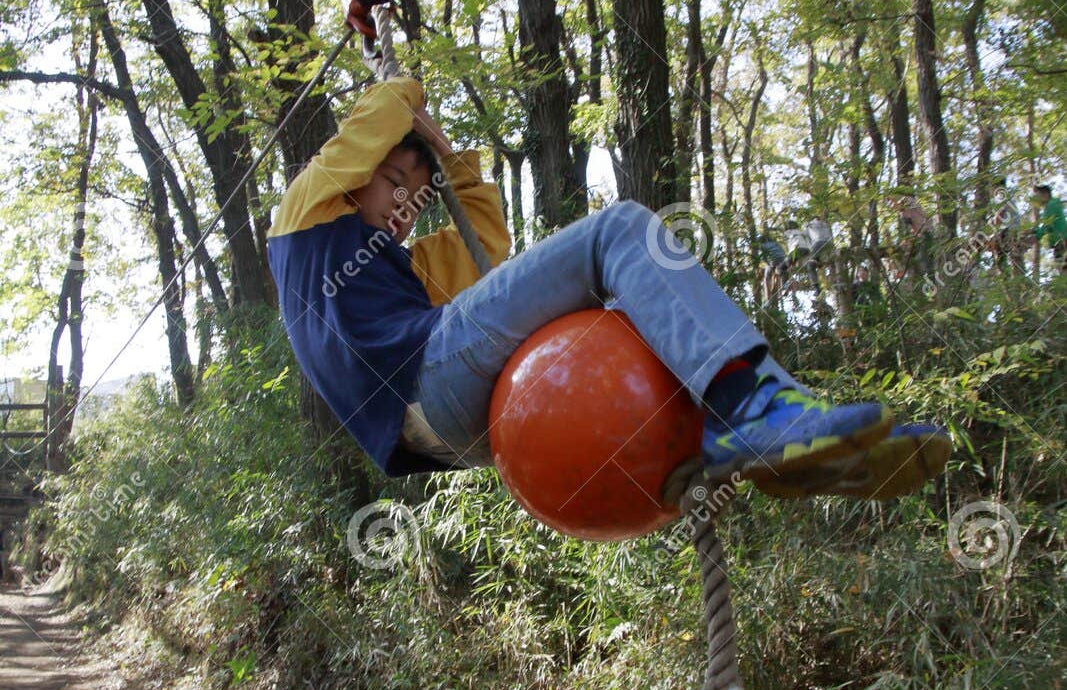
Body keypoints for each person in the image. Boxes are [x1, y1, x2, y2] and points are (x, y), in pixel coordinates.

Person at [267, 77, 950, 501]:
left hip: (449, 429)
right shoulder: (303, 218)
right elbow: (373, 121)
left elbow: (487, 245)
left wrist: (449, 164)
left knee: (620, 298)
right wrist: (403, 89)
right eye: (394, 185)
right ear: (353, 176)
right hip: (428, 378)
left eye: (417, 201)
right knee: (617, 232)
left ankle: (722, 439)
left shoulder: (397, 270)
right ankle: (755, 407)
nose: (404, 209)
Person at [1030, 183, 1067, 272]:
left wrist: (1035, 236)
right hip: (1061, 243)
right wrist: (1033, 231)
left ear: (1045, 194)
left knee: (1063, 273)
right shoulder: (1053, 204)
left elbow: (1047, 226)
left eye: (1037, 195)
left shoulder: (1051, 205)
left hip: (1062, 243)